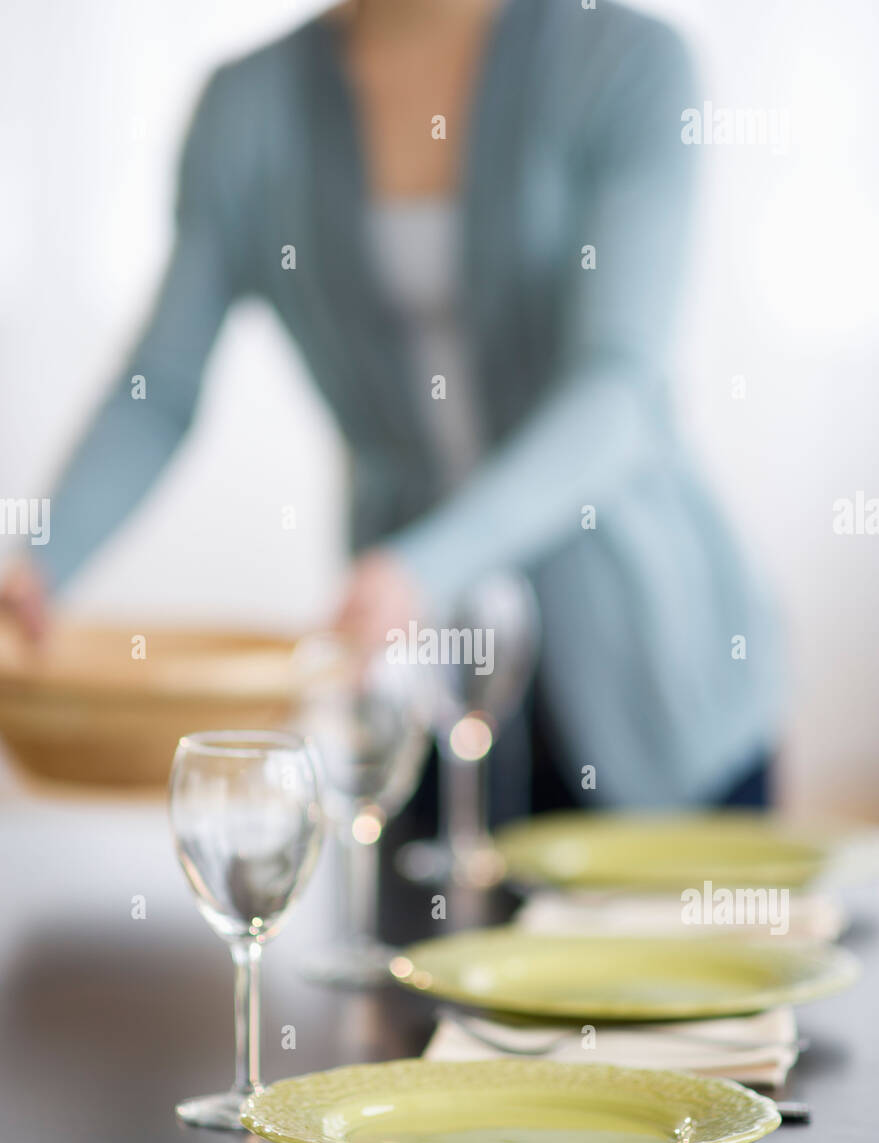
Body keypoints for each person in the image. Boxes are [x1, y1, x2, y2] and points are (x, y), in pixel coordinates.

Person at [0, 0, 781, 809]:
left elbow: (617, 389)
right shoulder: (247, 108)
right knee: (420, 918)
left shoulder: (625, 62)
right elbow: (156, 389)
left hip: (649, 660)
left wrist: (423, 567)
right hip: (403, 675)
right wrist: (42, 564)